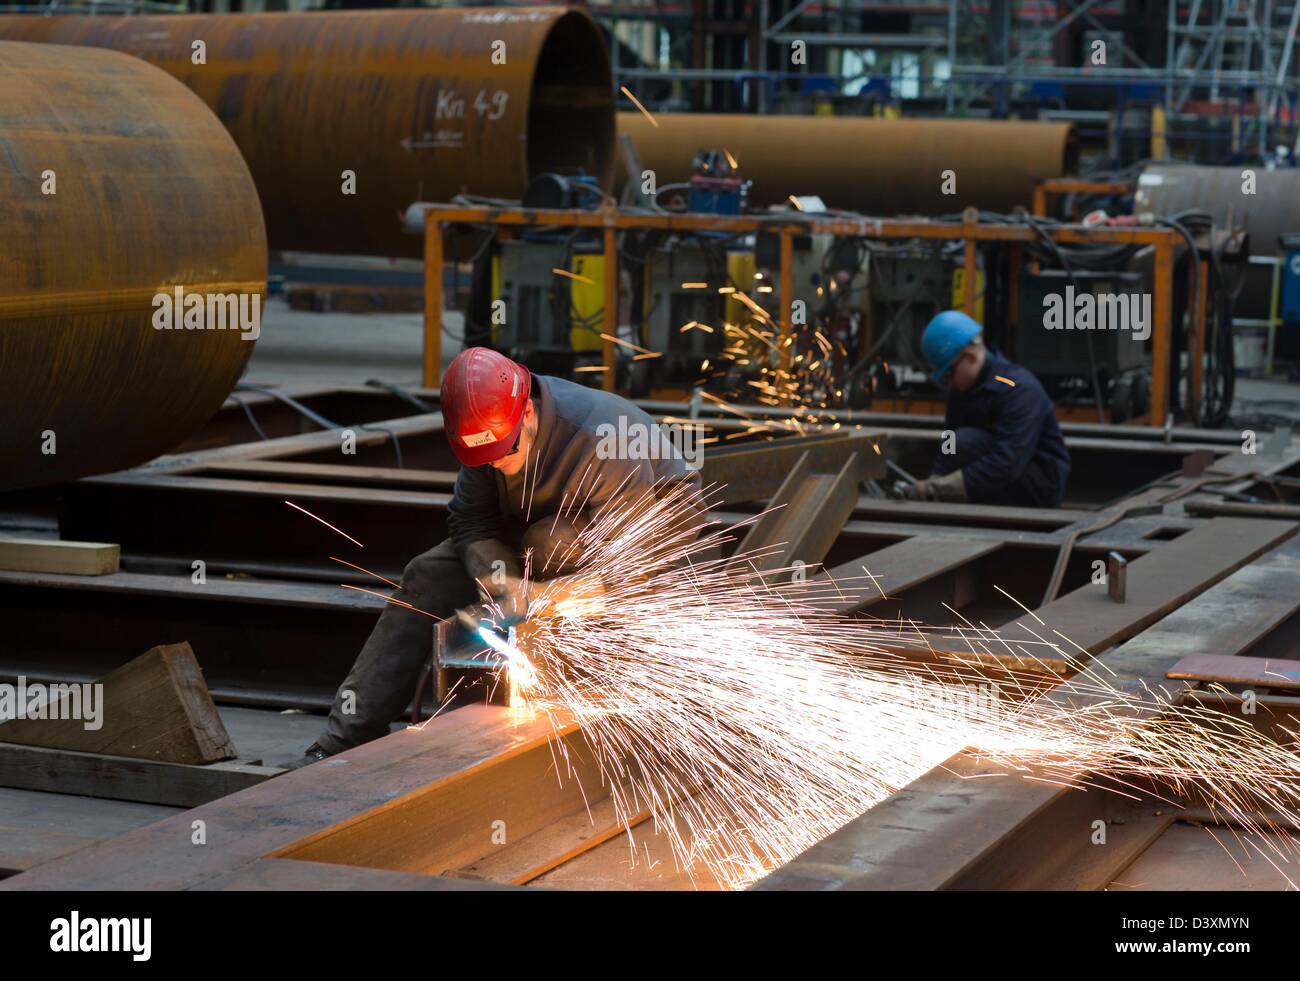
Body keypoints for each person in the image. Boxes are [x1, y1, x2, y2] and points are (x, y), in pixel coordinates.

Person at [289, 347, 699, 767]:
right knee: (427, 574)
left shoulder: (605, 438)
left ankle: (561, 713)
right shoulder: (485, 430)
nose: (499, 466)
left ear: (526, 414)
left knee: (549, 544)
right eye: (486, 458)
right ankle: (343, 738)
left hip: (646, 545)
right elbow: (469, 524)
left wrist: (543, 596)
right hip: (534, 526)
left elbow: (626, 572)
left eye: (506, 452)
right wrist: (500, 580)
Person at [906, 310, 1070, 508]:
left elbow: (1007, 462)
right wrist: (936, 479)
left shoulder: (1017, 388)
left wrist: (939, 489)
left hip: (1037, 487)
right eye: (943, 378)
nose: (948, 382)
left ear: (972, 357)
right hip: (1000, 479)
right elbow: (949, 439)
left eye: (949, 373)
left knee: (965, 441)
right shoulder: (959, 391)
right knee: (959, 440)